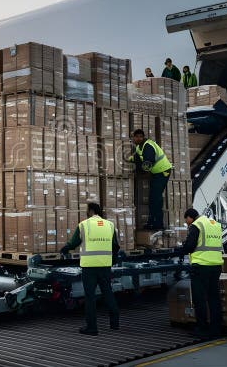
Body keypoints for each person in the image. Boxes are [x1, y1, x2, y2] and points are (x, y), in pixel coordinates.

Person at [60, 202, 120, 336]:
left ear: (91, 211)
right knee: (108, 292)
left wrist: (65, 248)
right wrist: (112, 260)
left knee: (90, 296)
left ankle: (92, 327)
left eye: (87, 210)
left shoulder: (84, 225)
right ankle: (115, 323)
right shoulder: (110, 225)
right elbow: (115, 246)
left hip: (89, 267)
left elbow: (74, 242)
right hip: (105, 265)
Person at [175, 209, 223, 337]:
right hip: (216, 265)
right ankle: (216, 328)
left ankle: (202, 328)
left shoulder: (197, 225)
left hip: (201, 266)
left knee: (199, 298)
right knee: (214, 298)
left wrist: (180, 250)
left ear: (190, 217)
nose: (187, 224)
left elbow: (190, 246)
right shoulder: (215, 224)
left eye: (187, 221)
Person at [127, 129, 172, 230]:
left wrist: (139, 172)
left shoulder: (148, 146)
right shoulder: (140, 147)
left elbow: (148, 162)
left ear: (140, 137)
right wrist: (129, 159)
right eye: (134, 137)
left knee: (156, 198)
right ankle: (152, 222)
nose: (135, 139)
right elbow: (138, 157)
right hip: (156, 173)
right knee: (152, 198)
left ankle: (159, 224)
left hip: (163, 172)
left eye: (137, 137)